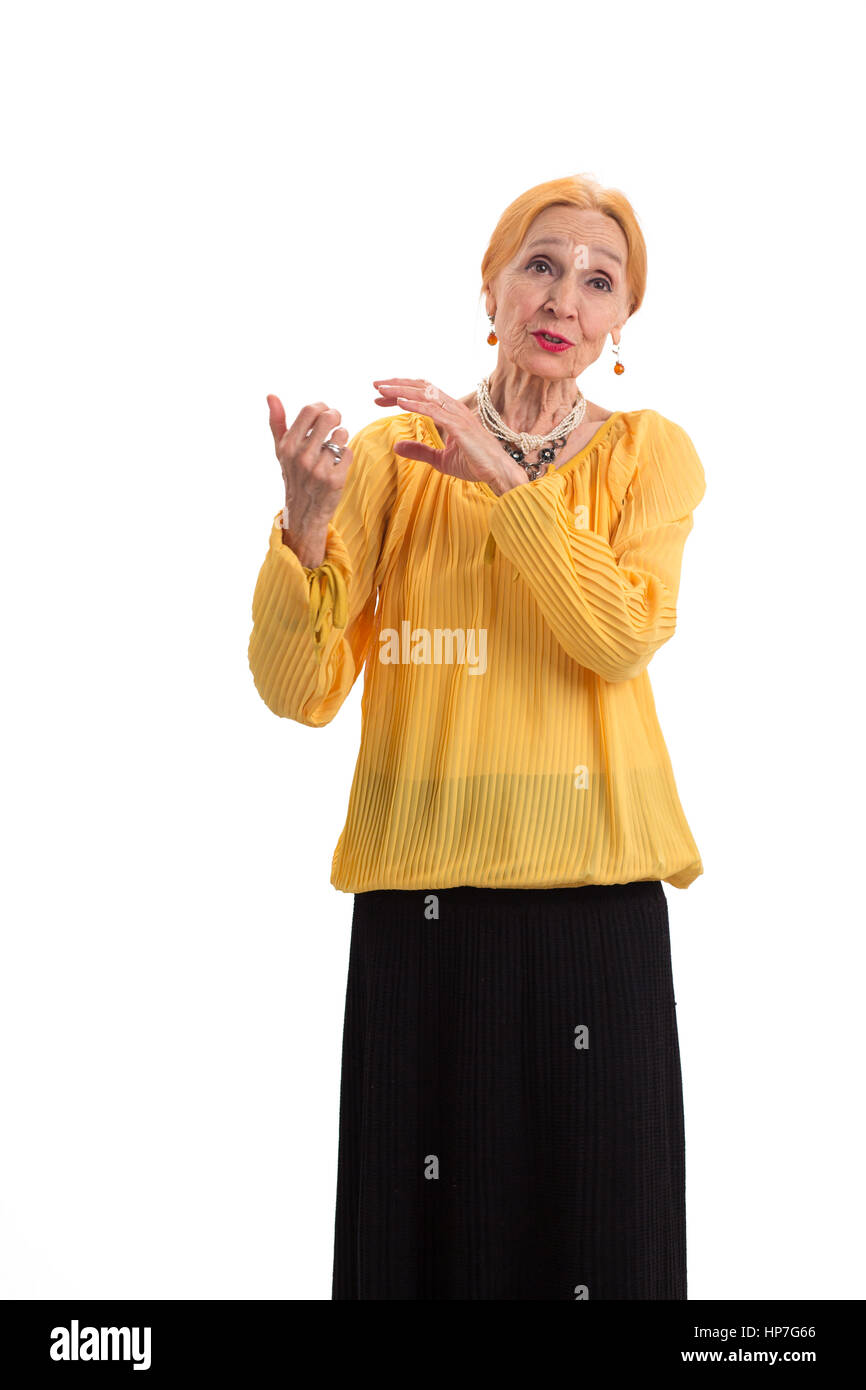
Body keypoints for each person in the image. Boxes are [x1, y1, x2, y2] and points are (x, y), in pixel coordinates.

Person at [247, 174, 707, 1301]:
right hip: (424, 916)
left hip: (596, 910)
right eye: (541, 264)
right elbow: (296, 689)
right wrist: (305, 528)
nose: (564, 295)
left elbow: (615, 636)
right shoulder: (395, 459)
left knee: (600, 1242)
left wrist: (504, 481)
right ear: (491, 287)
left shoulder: (647, 457)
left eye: (600, 281)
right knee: (426, 1256)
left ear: (618, 327)